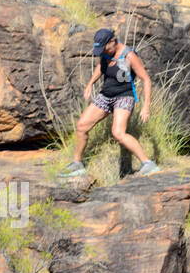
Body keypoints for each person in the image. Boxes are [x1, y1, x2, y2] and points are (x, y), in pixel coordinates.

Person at [60, 26, 159, 178]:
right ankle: (77, 164)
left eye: (105, 49)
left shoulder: (129, 55)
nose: (103, 53)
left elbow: (146, 79)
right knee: (81, 127)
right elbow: (101, 66)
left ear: (113, 41)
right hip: (105, 95)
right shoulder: (106, 53)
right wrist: (90, 84)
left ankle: (147, 163)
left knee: (118, 133)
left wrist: (146, 107)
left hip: (124, 97)